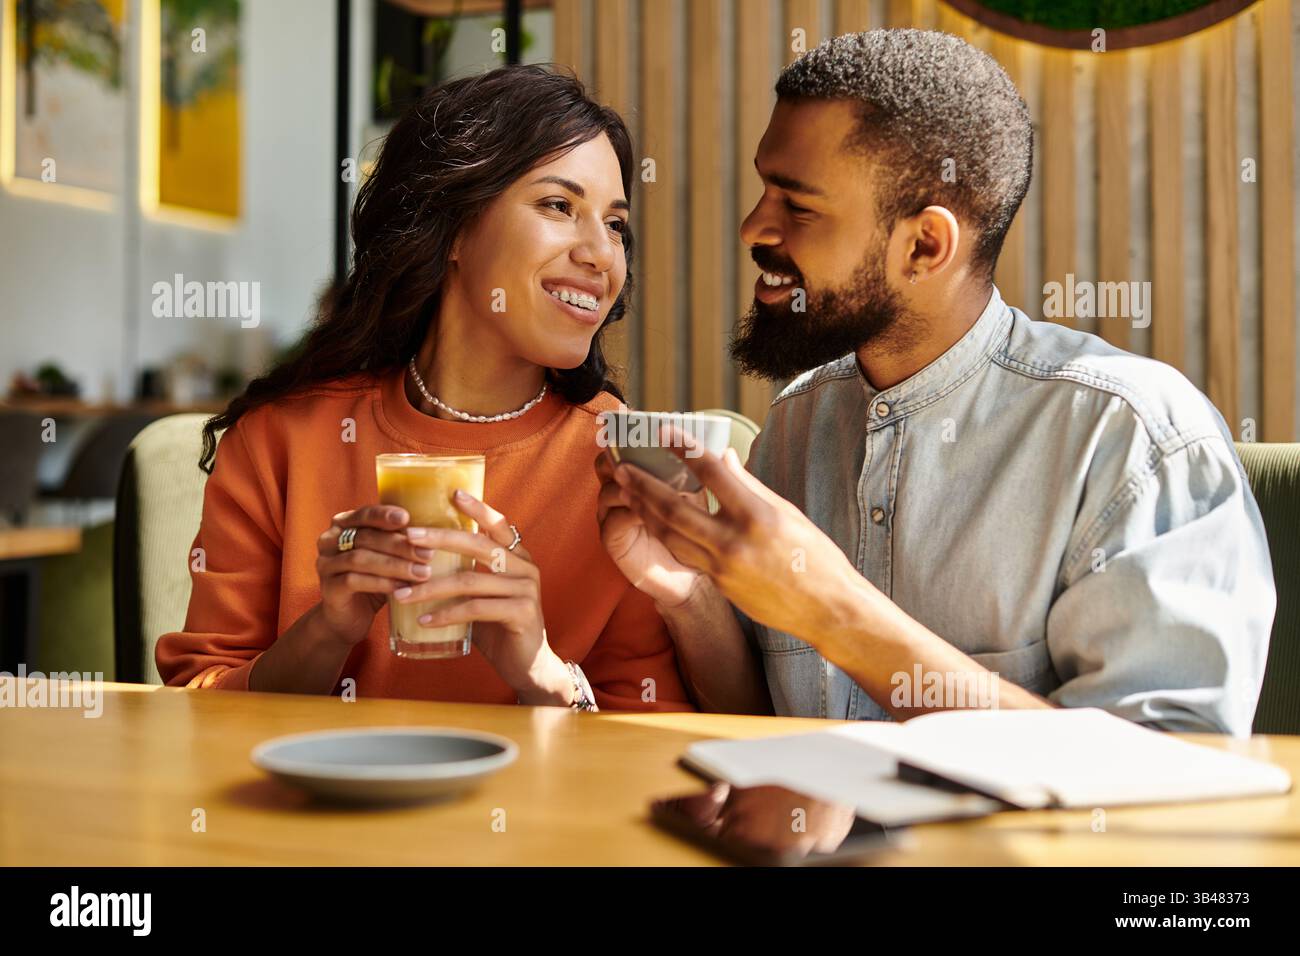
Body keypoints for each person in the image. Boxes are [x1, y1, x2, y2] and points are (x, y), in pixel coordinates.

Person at [596, 30, 1274, 735]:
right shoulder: (799, 423)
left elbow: (1169, 776)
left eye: (797, 207)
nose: (752, 228)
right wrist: (688, 595)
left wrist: (829, 609)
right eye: (763, 187)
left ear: (925, 245)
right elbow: (766, 727)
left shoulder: (1130, 438)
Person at [156, 66, 691, 712]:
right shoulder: (280, 439)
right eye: (559, 206)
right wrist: (330, 629)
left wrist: (543, 675)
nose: (601, 255)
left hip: (535, 814)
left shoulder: (618, 466)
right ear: (456, 226)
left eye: (615, 225)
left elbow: (650, 736)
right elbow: (193, 710)